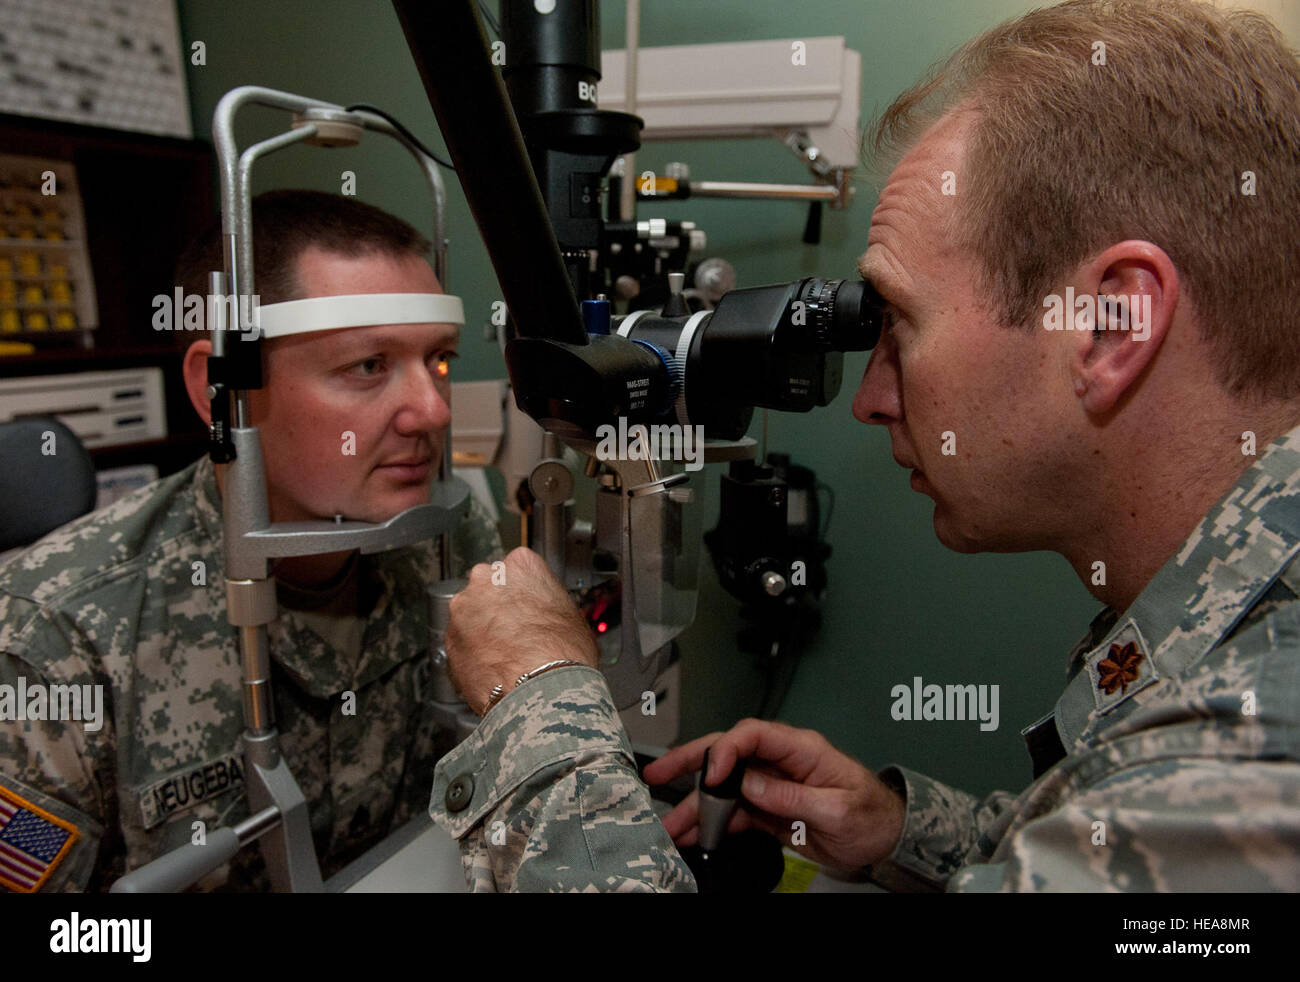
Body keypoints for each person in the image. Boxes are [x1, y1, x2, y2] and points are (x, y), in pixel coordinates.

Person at [431, 0, 1300, 891]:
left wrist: (538, 705)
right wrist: (902, 831)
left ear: (1110, 323)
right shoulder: (1231, 657)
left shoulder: (1253, 758)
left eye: (900, 325)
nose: (871, 400)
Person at [0, 190, 501, 892]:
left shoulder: (449, 538)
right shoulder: (57, 643)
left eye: (439, 360)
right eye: (369, 366)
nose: (433, 410)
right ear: (220, 390)